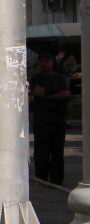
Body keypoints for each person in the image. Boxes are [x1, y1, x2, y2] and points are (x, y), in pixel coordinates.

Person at [30, 52, 71, 186]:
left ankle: (57, 181)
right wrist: (55, 93)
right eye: (41, 61)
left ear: (52, 63)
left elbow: (66, 94)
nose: (44, 64)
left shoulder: (60, 78)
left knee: (57, 152)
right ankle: (41, 179)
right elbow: (36, 92)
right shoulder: (35, 79)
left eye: (46, 61)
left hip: (58, 120)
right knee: (41, 151)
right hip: (41, 120)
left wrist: (46, 93)